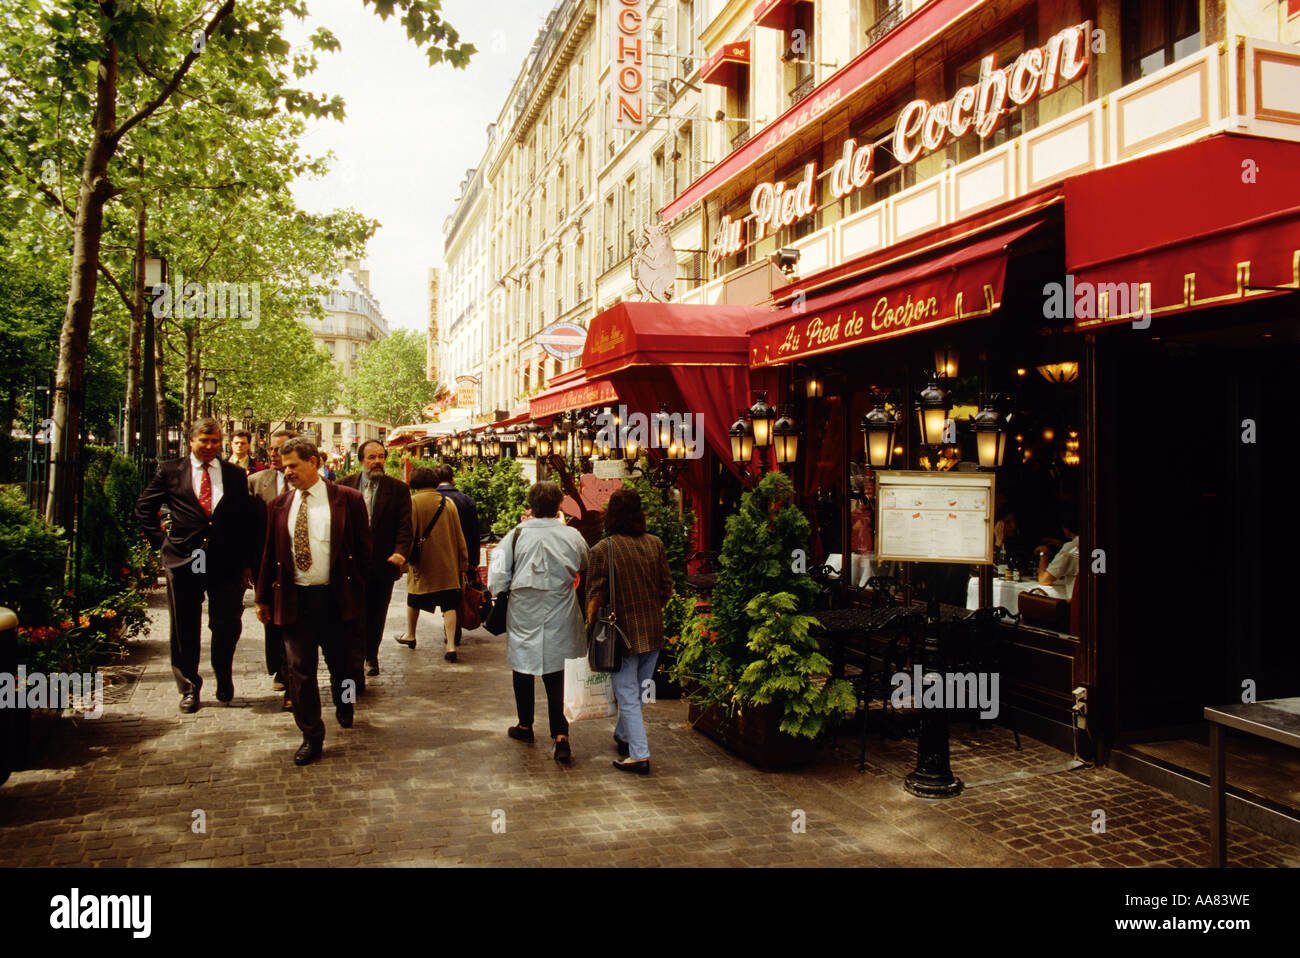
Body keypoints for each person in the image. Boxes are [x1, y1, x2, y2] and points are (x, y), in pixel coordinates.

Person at [255, 437, 371, 766]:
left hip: (336, 600)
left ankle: (344, 703)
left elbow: (364, 550)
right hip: (296, 600)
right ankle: (311, 735)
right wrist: (262, 598)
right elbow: (269, 555)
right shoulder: (278, 506)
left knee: (344, 667)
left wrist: (357, 590)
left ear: (314, 463)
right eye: (284, 465)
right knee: (299, 672)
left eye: (294, 465)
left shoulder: (348, 500)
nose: (287, 471)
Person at [134, 417, 259, 713]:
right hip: (184, 558)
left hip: (224, 560)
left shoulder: (234, 474)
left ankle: (224, 675)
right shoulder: (170, 471)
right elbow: (144, 508)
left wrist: (246, 562)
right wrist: (163, 544)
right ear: (191, 441)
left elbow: (246, 521)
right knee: (184, 626)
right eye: (204, 441)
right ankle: (189, 686)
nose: (210, 447)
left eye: (215, 441)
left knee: (227, 623)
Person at [489, 481, 589, 764]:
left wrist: (503, 590)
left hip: (524, 609)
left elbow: (497, 575)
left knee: (522, 666)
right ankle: (561, 735)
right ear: (559, 505)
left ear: (530, 506)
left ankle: (525, 725)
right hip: (561, 606)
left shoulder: (516, 535)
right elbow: (586, 563)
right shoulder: (572, 535)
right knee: (557, 671)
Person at [585, 488, 673, 775]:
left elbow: (595, 596)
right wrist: (653, 606)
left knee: (627, 693)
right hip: (652, 628)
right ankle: (624, 736)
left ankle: (639, 754)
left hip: (620, 632)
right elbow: (666, 587)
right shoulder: (655, 544)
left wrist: (590, 627)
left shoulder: (603, 549)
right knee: (639, 691)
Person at [337, 440, 412, 684]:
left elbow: (404, 525)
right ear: (361, 461)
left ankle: (371, 654)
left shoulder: (398, 489)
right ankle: (355, 658)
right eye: (371, 457)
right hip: (351, 564)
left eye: (381, 457)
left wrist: (401, 552)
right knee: (353, 612)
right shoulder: (343, 486)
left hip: (383, 563)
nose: (377, 462)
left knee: (376, 613)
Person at [395, 467, 468, 662]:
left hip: (423, 564)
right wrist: (463, 563)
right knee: (449, 605)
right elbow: (459, 536)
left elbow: (408, 535)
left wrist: (403, 563)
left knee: (414, 599)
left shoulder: (412, 503)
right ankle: (451, 645)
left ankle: (411, 634)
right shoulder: (448, 503)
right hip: (447, 564)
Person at [249, 429, 295, 704]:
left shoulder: (308, 481)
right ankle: (279, 666)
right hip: (266, 563)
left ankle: (290, 676)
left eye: (281, 449)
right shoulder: (255, 482)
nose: (275, 454)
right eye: (272, 449)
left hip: (298, 564)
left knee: (293, 621)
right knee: (271, 620)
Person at [433, 463, 480, 646]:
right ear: (452, 479)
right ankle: (455, 626)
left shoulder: (433, 499)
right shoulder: (465, 500)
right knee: (460, 591)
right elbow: (475, 531)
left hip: (441, 555)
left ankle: (451, 629)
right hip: (463, 554)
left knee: (445, 594)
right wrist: (474, 559)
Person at [1036, 508, 1080, 589]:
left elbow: (1044, 580)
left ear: (1065, 528)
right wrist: (1062, 544)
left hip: (1074, 599)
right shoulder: (1090, 542)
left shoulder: (1070, 548)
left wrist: (1043, 553)